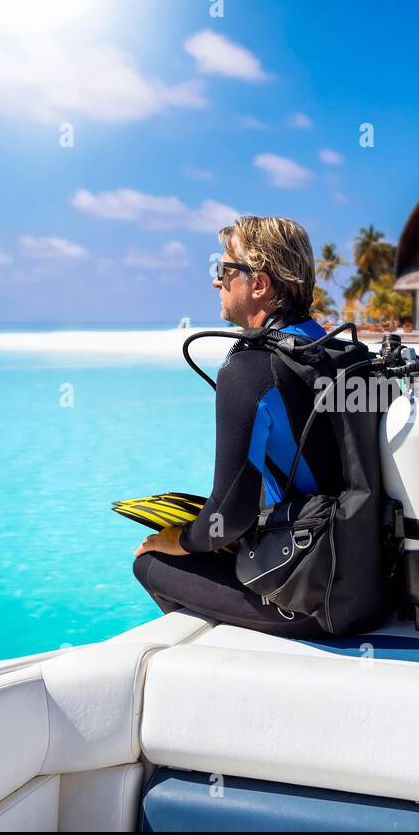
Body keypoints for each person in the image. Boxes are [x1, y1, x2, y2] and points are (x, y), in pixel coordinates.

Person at [132, 216, 340, 638]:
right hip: (369, 583)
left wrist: (179, 539)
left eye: (225, 270)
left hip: (311, 598)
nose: (216, 282)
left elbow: (228, 517)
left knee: (151, 563)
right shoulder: (340, 352)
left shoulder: (250, 368)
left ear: (259, 284)